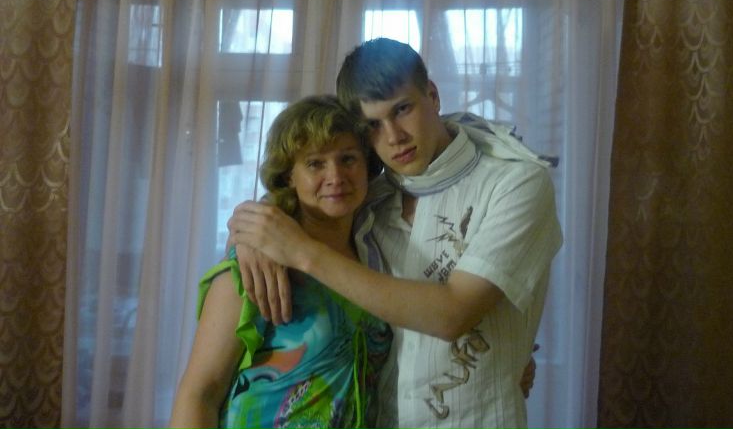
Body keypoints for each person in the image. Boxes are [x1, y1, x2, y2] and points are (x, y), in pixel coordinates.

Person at [230, 37, 563, 429]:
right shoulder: (371, 196)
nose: (394, 137)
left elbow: (453, 315)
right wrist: (252, 227)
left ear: (432, 95)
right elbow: (308, 194)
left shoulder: (517, 182)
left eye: (402, 109)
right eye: (372, 125)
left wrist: (298, 250)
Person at [169, 96, 393, 429]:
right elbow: (199, 394)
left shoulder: (381, 254)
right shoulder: (253, 266)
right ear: (289, 175)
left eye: (348, 159)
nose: (336, 176)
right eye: (315, 164)